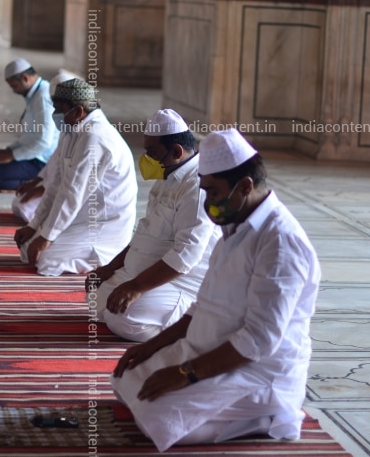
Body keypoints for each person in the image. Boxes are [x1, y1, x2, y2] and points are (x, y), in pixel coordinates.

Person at [111, 128, 321, 452]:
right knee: (125, 378)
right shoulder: (235, 222)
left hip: (255, 370)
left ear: (245, 186)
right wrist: (154, 345)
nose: (208, 201)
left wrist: (186, 373)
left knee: (158, 416)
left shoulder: (281, 242)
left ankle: (267, 417)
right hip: (208, 348)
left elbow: (259, 340)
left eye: (213, 191)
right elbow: (200, 306)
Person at [87, 109, 221, 342]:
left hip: (182, 282)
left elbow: (185, 256)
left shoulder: (197, 187)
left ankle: (191, 324)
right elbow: (145, 234)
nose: (146, 159)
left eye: (152, 152)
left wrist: (136, 287)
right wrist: (111, 267)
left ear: (176, 151)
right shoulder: (168, 176)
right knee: (97, 296)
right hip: (146, 270)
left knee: (123, 318)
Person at [12, 78, 137, 276]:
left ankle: (105, 258)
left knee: (45, 262)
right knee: (28, 247)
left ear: (78, 111)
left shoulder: (95, 138)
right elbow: (56, 183)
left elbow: (72, 194)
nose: (55, 115)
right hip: (83, 214)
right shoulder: (71, 129)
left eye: (59, 109)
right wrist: (35, 225)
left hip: (104, 224)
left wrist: (46, 237)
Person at [0, 59, 59, 190]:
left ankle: (41, 186)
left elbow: (44, 142)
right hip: (33, 155)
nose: (14, 91)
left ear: (25, 78)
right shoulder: (36, 94)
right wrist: (8, 150)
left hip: (43, 161)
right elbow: (29, 137)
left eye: (14, 86)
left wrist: (11, 156)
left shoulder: (43, 98)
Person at [11, 71, 78, 223]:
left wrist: (43, 189)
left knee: (28, 209)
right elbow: (56, 160)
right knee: (20, 204)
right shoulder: (68, 128)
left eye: (58, 107)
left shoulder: (89, 135)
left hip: (88, 205)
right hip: (59, 184)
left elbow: (75, 179)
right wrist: (35, 182)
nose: (55, 112)